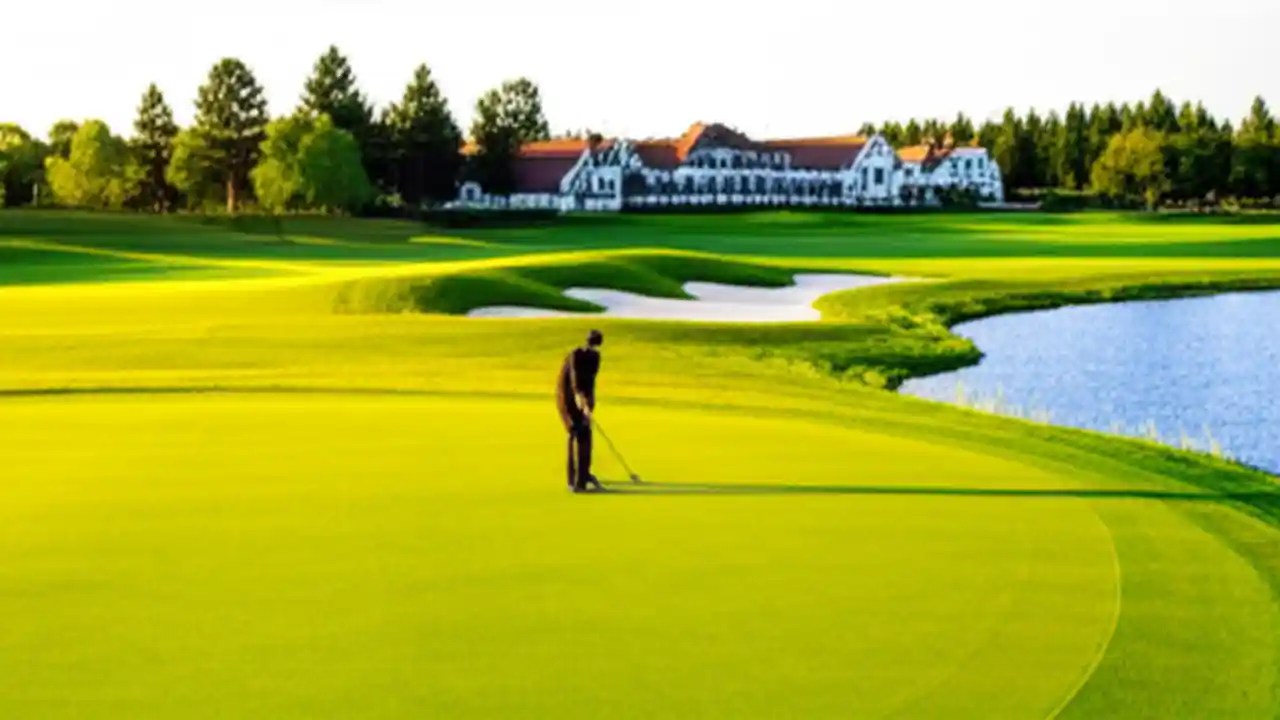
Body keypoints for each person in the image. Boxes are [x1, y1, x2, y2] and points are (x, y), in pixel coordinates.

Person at [556, 329, 604, 492]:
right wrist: (579, 397)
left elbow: (590, 382)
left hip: (581, 398)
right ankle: (575, 481)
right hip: (566, 397)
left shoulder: (595, 358)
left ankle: (584, 474)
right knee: (576, 432)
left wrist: (590, 406)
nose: (593, 347)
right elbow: (574, 380)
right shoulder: (575, 355)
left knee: (586, 431)